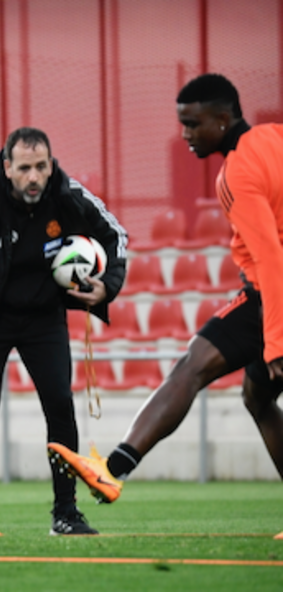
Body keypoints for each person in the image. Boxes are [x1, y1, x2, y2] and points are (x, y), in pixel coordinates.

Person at [49, 74, 283, 512]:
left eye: (193, 124)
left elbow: (271, 258)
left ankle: (112, 469)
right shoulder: (276, 137)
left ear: (223, 117)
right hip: (269, 292)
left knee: (191, 366)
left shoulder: (236, 175)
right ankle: (113, 468)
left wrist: (275, 343)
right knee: (256, 397)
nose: (185, 135)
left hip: (271, 295)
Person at [0, 127, 128, 536]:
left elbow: (116, 236)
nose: (34, 177)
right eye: (24, 168)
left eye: (41, 166)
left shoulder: (67, 194)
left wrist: (107, 285)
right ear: (8, 168)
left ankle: (66, 513)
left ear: (50, 164)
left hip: (44, 318)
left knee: (60, 403)